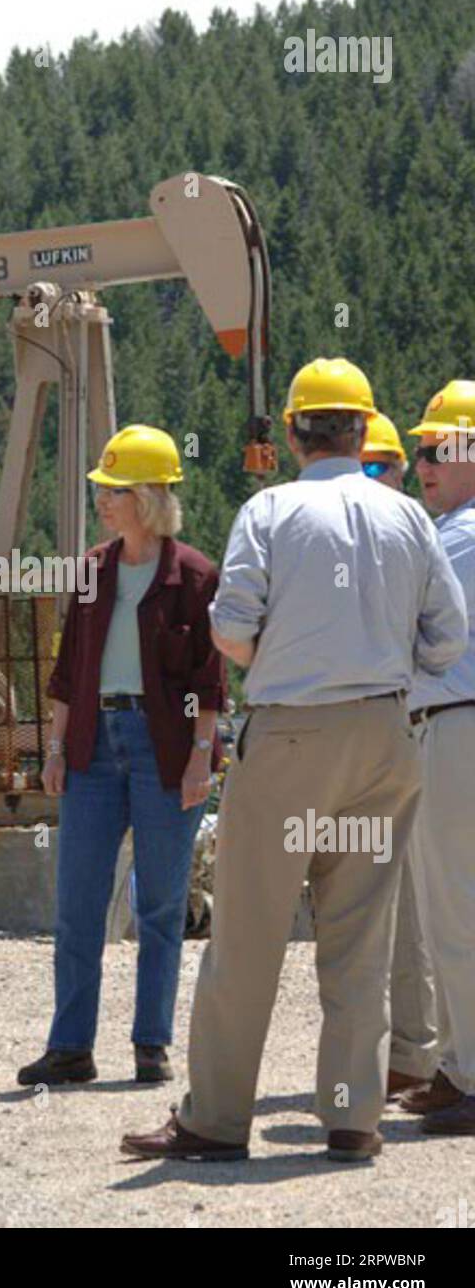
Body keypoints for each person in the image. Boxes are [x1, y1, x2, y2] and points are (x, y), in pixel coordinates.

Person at [121, 358, 467, 1164]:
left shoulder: (270, 510)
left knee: (248, 933)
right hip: (385, 735)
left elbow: (231, 627)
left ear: (290, 432)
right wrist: (380, 672)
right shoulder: (408, 518)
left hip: (290, 736)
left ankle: (215, 1120)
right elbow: (447, 638)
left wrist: (282, 662)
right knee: (360, 934)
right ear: (362, 427)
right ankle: (352, 1117)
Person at [18, 425, 226, 1087]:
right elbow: (64, 672)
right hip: (92, 751)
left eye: (113, 491)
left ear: (147, 496)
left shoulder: (194, 576)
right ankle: (71, 1049)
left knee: (161, 906)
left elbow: (210, 683)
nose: (102, 502)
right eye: (103, 491)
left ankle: (150, 1046)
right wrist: (54, 748)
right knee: (78, 903)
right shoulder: (89, 573)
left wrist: (200, 760)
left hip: (165, 752)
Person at [397, 383, 475, 1134]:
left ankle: (470, 1075)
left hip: (454, 725)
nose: (422, 462)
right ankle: (456, 1068)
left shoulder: (457, 537)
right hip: (448, 724)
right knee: (449, 907)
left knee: (453, 909)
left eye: (436, 449)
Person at [361, 411, 438, 1099]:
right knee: (399, 903)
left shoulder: (424, 542)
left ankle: (422, 1055)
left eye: (381, 466)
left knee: (425, 903)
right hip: (388, 737)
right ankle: (411, 1055)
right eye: (362, 467)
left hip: (423, 733)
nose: (372, 479)